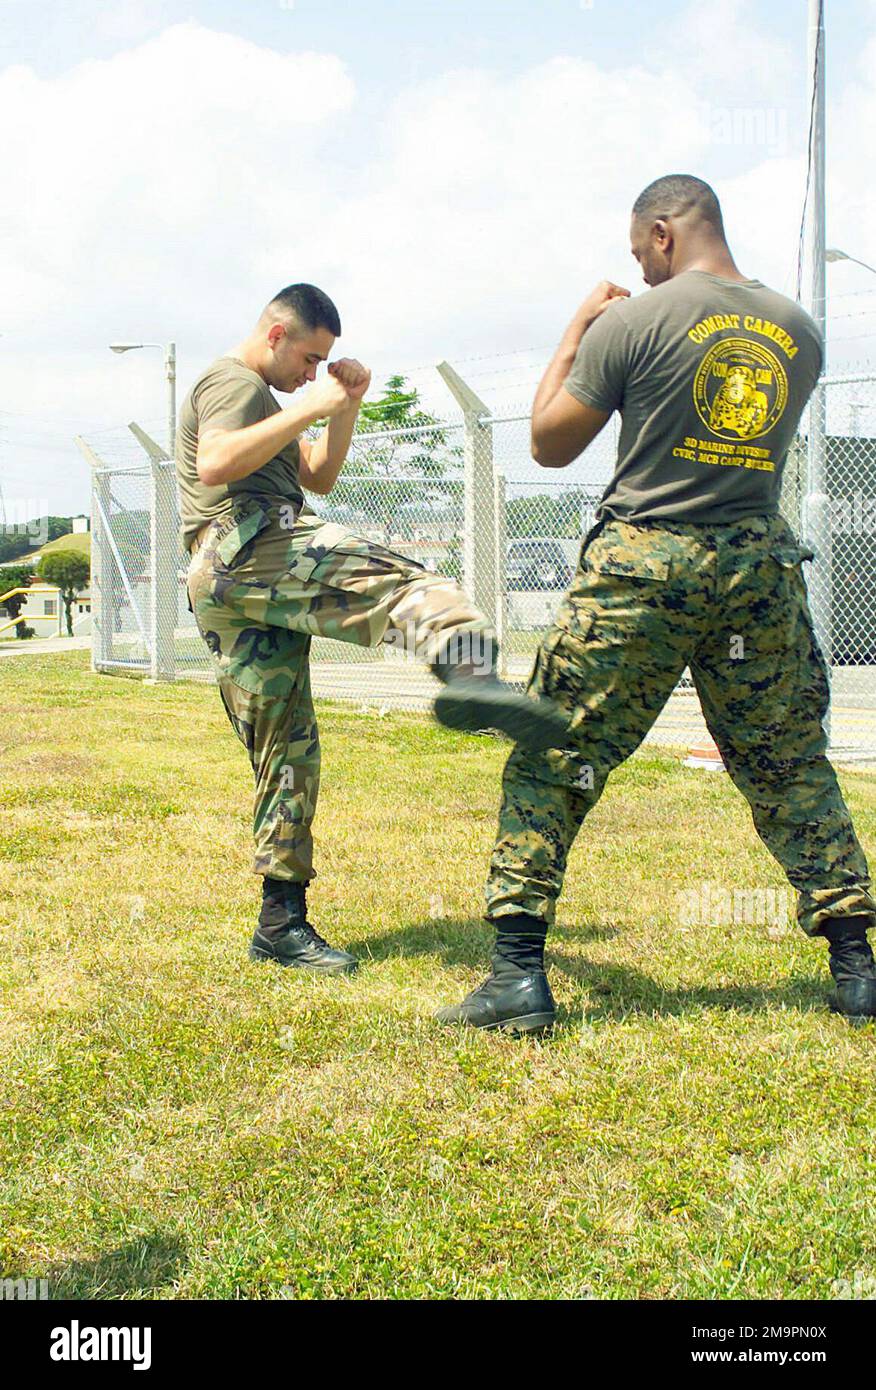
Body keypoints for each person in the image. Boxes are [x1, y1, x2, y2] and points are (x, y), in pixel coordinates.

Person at [437, 174, 876, 1033]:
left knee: (554, 752)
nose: (640, 269)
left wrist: (578, 330)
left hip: (643, 566)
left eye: (641, 251)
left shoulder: (633, 322)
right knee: (788, 762)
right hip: (758, 571)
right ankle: (858, 967)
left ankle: (517, 975)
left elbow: (550, 444)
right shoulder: (798, 330)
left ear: (664, 232)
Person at [178, 284, 567, 975]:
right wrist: (313, 405)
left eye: (321, 364)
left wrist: (345, 406)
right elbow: (214, 462)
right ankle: (471, 671)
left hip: (228, 581)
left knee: (286, 750)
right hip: (246, 546)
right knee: (400, 578)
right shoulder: (234, 381)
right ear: (275, 334)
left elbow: (320, 475)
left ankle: (279, 925)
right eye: (308, 358)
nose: (311, 373)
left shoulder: (265, 400)